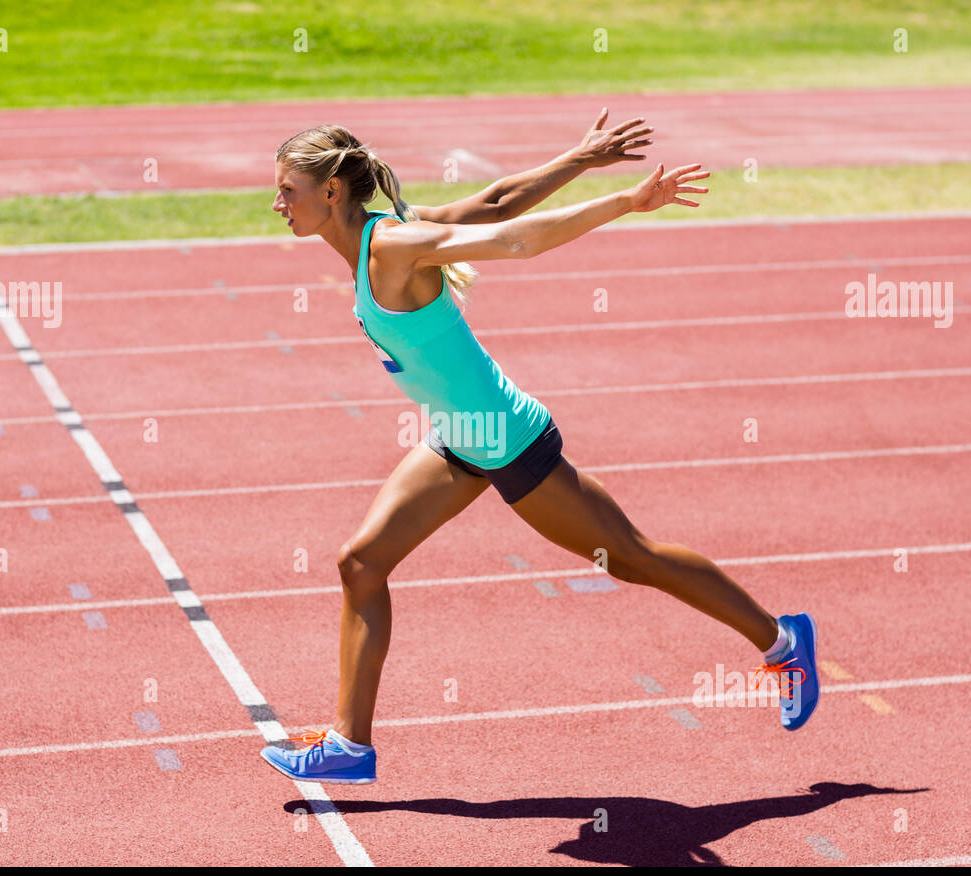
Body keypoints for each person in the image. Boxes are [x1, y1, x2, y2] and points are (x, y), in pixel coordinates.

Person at [261, 111, 819, 784]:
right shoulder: (388, 236)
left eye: (288, 189)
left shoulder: (393, 248)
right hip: (461, 441)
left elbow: (515, 239)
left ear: (330, 192)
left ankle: (783, 641)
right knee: (361, 564)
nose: (278, 204)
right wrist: (581, 157)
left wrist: (626, 201)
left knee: (632, 558)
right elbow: (496, 200)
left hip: (507, 440)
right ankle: (351, 746)